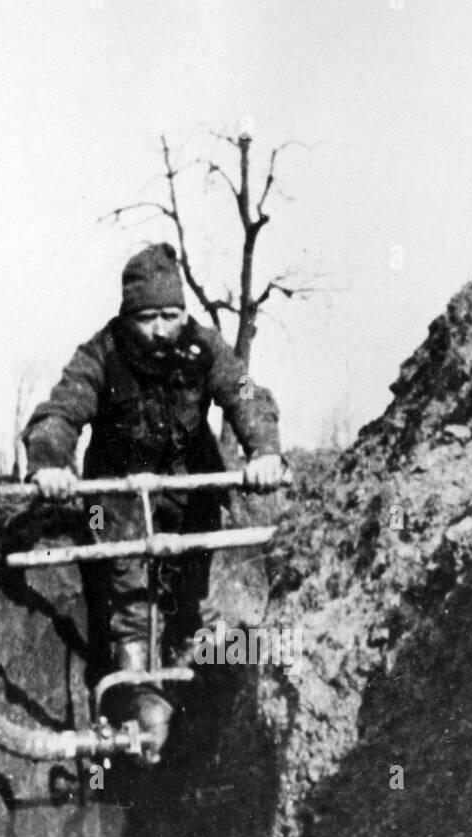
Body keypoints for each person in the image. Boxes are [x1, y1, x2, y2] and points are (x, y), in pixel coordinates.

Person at [21, 242, 283, 759]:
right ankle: (138, 710)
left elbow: (247, 394)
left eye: (172, 314)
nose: (163, 328)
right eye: (149, 317)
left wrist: (264, 451)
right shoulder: (102, 353)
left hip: (192, 496)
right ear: (127, 315)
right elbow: (61, 409)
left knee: (195, 604)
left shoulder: (204, 347)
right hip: (119, 499)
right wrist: (50, 462)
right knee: (131, 605)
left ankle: (203, 710)